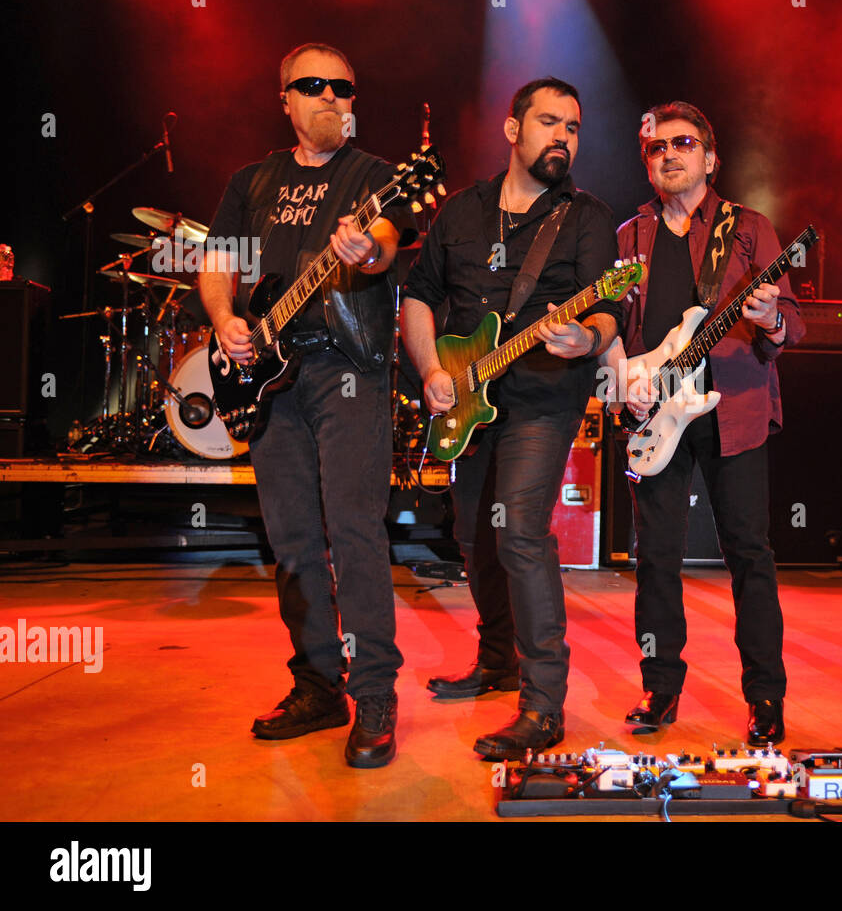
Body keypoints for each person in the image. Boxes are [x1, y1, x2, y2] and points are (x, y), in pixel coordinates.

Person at [199, 43, 419, 767]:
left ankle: (377, 692)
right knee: (292, 541)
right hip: (270, 376)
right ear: (285, 99)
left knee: (355, 529)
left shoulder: (377, 177)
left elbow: (389, 239)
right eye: (314, 86)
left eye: (344, 88)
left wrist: (367, 253)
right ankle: (319, 684)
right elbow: (218, 261)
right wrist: (224, 317)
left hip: (347, 369)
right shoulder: (252, 180)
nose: (332, 97)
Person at [401, 77, 621, 759]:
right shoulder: (462, 213)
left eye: (575, 127)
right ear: (512, 129)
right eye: (550, 121)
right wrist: (433, 371)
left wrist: (588, 338)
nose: (564, 136)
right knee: (473, 533)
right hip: (468, 401)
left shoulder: (585, 218)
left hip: (543, 399)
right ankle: (497, 662)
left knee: (521, 532)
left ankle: (543, 704)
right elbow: (419, 296)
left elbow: (610, 309)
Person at [602, 101, 804, 745]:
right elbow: (611, 327)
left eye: (683, 143)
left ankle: (765, 699)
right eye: (657, 147)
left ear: (710, 159)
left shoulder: (749, 229)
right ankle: (660, 688)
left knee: (750, 555)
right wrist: (620, 386)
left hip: (732, 409)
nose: (669, 154)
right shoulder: (629, 236)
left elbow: (791, 324)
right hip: (656, 415)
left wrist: (770, 316)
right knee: (655, 557)